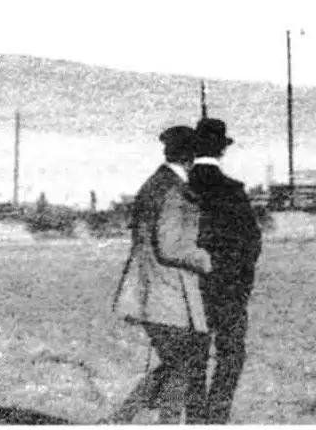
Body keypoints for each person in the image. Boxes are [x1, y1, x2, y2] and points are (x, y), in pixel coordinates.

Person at [109, 126, 213, 423]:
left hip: (151, 289)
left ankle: (123, 420)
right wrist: (208, 259)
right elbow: (169, 247)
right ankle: (137, 421)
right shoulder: (173, 191)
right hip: (163, 291)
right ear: (191, 158)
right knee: (182, 362)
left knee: (177, 362)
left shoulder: (156, 183)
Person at [187, 117, 263, 424]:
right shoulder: (233, 191)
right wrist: (241, 284)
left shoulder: (181, 189)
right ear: (222, 152)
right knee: (231, 355)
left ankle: (192, 419)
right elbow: (252, 242)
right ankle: (215, 418)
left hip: (189, 287)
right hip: (229, 288)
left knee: (193, 358)